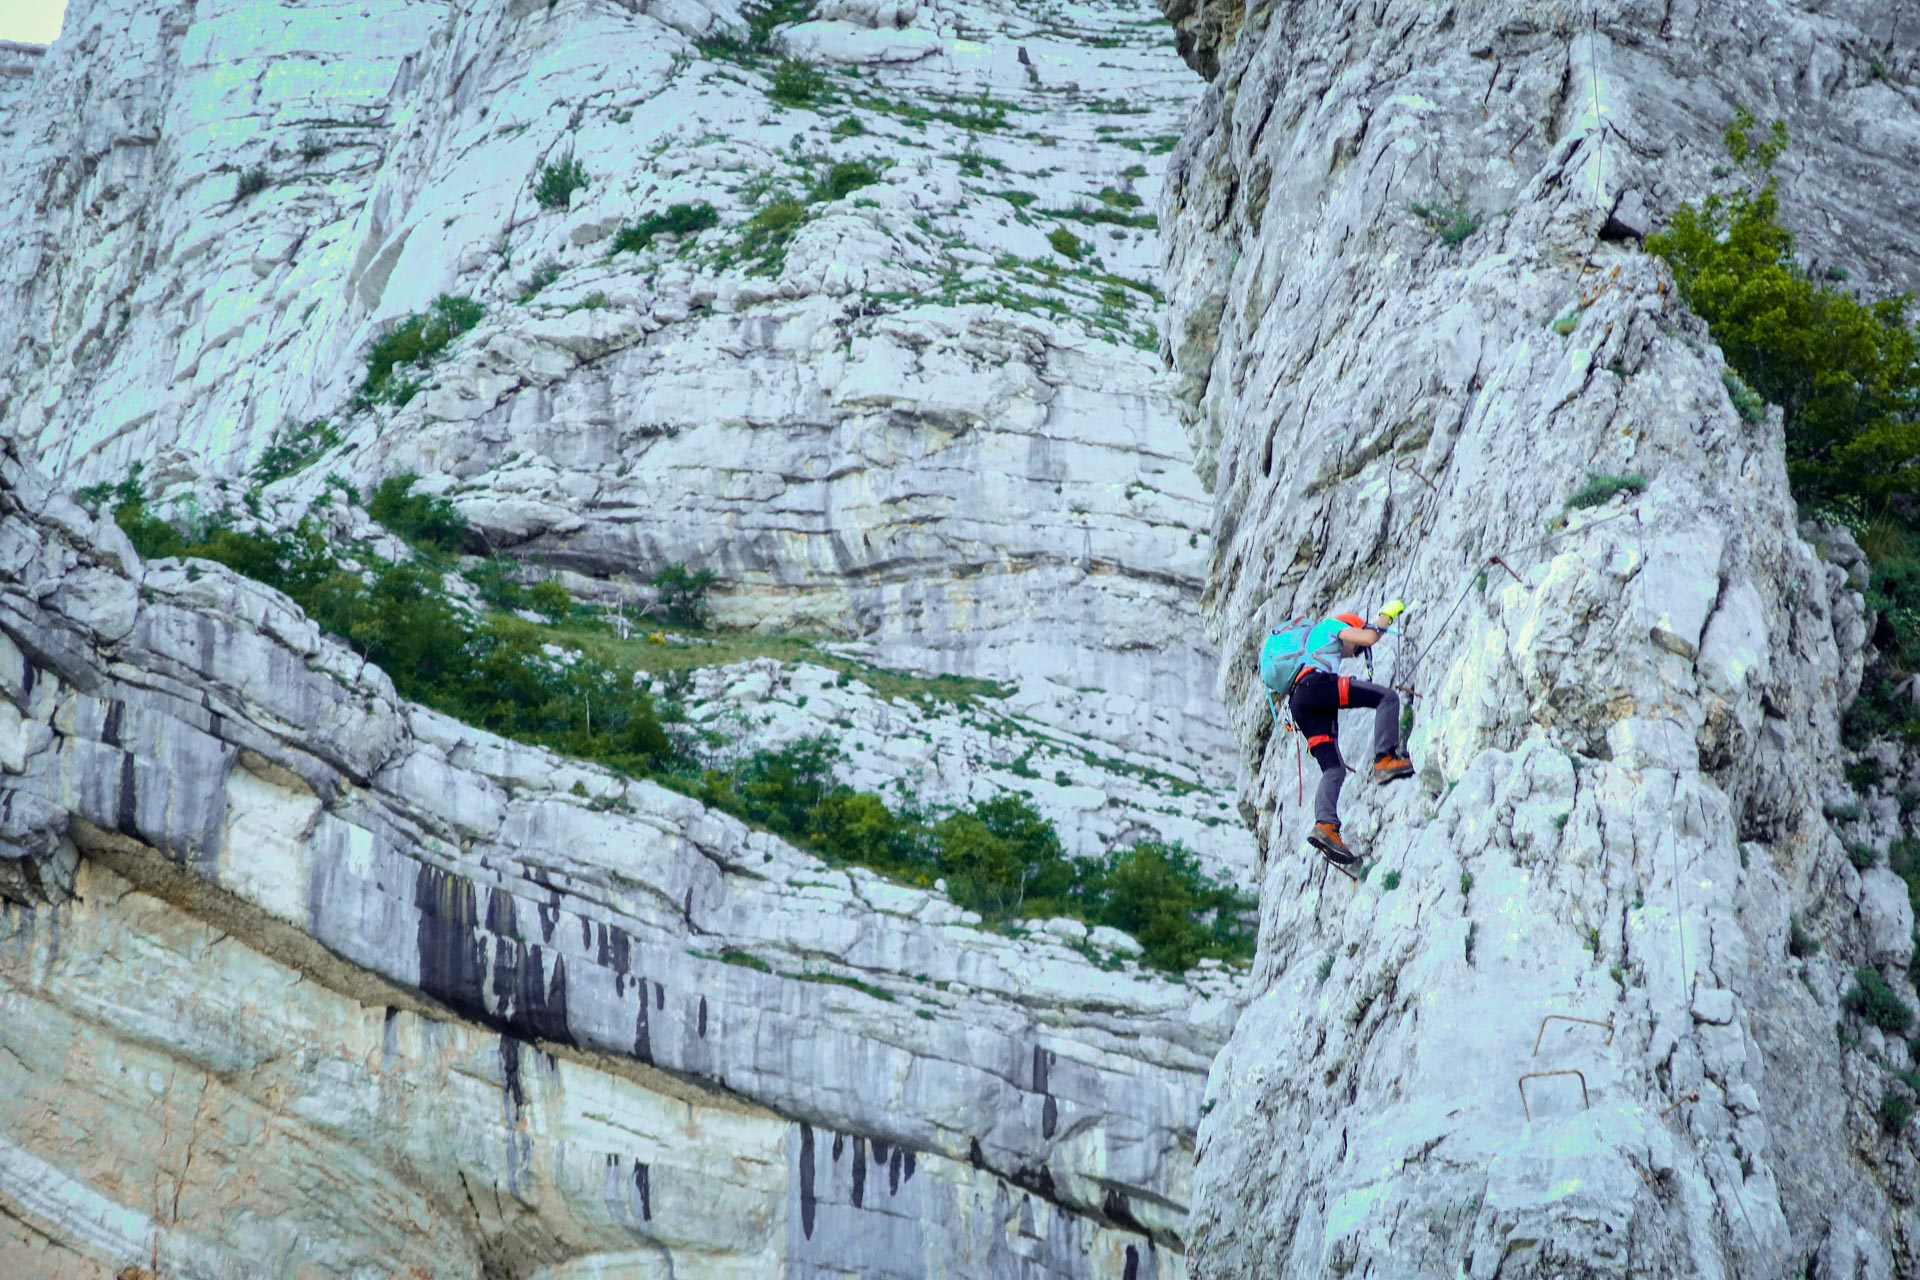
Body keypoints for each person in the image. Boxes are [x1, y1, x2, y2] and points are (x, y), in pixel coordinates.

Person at [1286, 601, 1413, 870]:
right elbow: (1368, 637)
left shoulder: (1316, 649)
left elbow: (1362, 641)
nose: (1356, 652)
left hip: (1300, 702)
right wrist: (1386, 616)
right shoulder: (1331, 626)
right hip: (1315, 686)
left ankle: (1325, 825)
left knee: (1334, 769)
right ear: (1348, 628)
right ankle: (1385, 760)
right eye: (1356, 649)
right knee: (1386, 698)